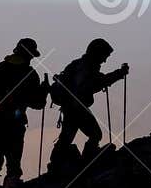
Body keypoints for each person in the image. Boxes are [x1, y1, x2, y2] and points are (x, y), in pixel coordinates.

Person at [0, 38, 49, 188]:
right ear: (29, 55)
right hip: (14, 122)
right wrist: (44, 91)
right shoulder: (30, 75)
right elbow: (37, 103)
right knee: (13, 158)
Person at [49, 39, 129, 172]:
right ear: (97, 53)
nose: (104, 61)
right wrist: (119, 74)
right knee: (95, 134)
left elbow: (95, 81)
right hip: (77, 107)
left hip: (70, 107)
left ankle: (57, 163)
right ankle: (88, 159)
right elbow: (91, 85)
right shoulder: (87, 67)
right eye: (104, 56)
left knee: (67, 136)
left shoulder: (78, 64)